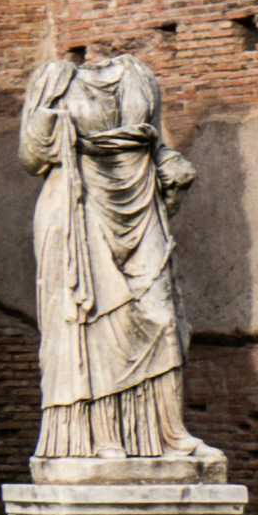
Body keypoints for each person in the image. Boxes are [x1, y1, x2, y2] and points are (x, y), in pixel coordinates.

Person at [19, 41, 210, 472]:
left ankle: (168, 432)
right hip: (77, 201)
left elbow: (156, 140)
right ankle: (97, 435)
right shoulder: (53, 77)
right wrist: (52, 123)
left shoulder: (140, 76)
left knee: (162, 316)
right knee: (93, 320)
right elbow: (30, 156)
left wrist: (171, 163)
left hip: (141, 200)